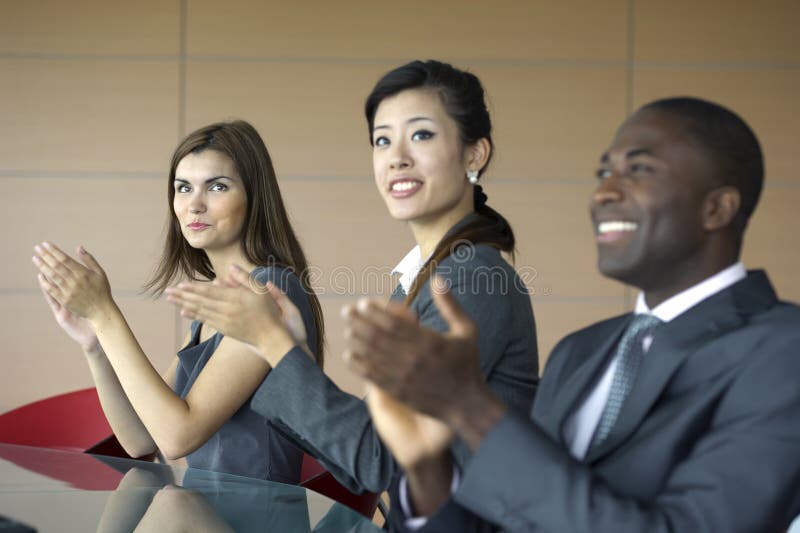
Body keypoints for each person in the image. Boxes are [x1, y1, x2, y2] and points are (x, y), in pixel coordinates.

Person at [344, 97, 800, 531]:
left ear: (716, 208)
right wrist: (427, 471)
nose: (604, 192)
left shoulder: (782, 351)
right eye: (604, 171)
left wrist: (470, 408)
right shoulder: (580, 353)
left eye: (638, 169)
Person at [165, 60, 539, 500]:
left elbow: (383, 462)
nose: (396, 157)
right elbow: (367, 461)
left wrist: (275, 346)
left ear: (474, 154)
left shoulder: (470, 279)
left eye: (421, 135)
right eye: (382, 140)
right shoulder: (419, 278)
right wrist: (292, 352)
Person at [32, 120, 324, 483]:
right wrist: (95, 342)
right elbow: (141, 439)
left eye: (217, 187)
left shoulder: (269, 292)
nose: (194, 205)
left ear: (254, 197)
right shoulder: (219, 302)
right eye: (183, 188)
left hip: (254, 518)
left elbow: (176, 438)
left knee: (164, 500)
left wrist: (106, 313)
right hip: (204, 512)